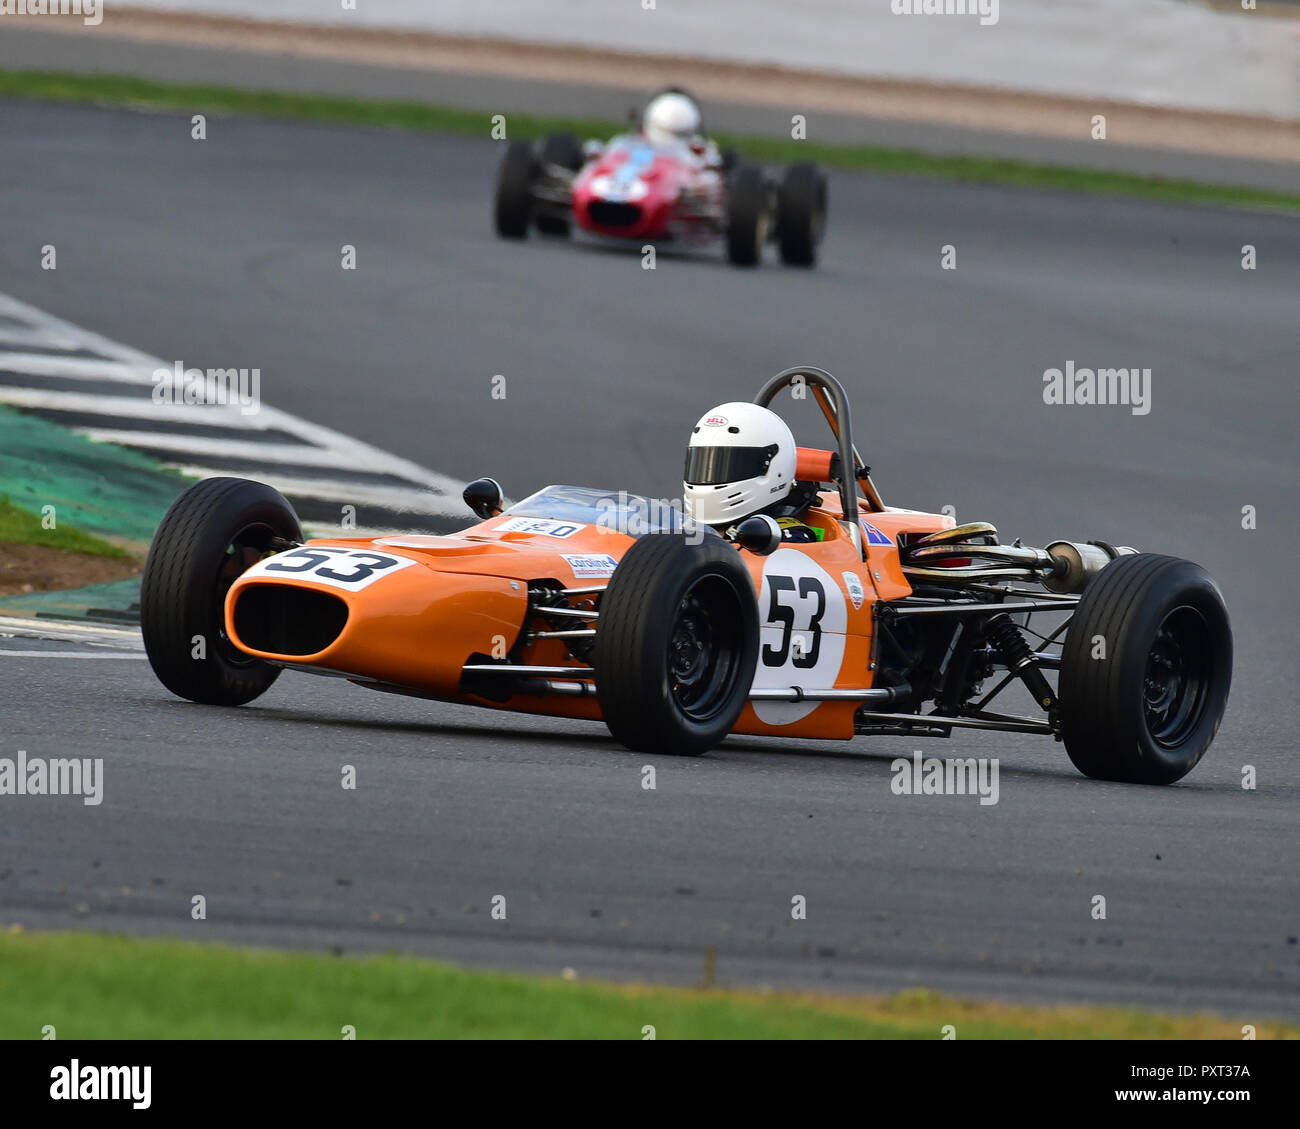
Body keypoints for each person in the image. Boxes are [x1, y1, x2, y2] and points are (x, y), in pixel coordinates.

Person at [683, 402, 823, 542]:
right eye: (702, 464)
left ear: (774, 468)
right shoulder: (688, 526)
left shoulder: (787, 538)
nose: (710, 475)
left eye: (733, 467)